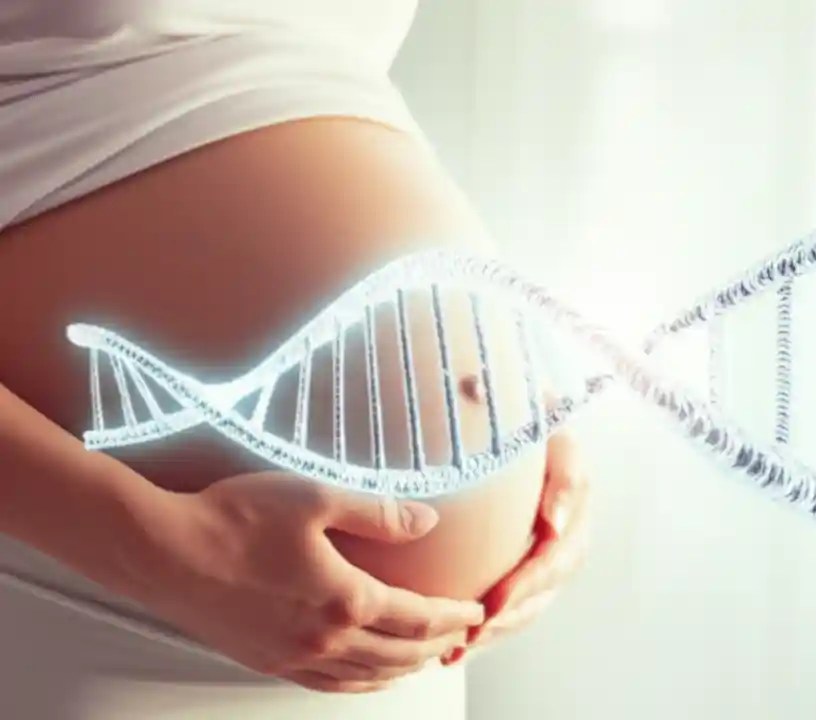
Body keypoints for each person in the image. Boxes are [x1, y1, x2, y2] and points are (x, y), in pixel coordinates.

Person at [0, 2, 590, 718]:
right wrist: (158, 552)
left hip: (385, 650)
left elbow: (307, 104)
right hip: (101, 590)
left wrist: (519, 405)